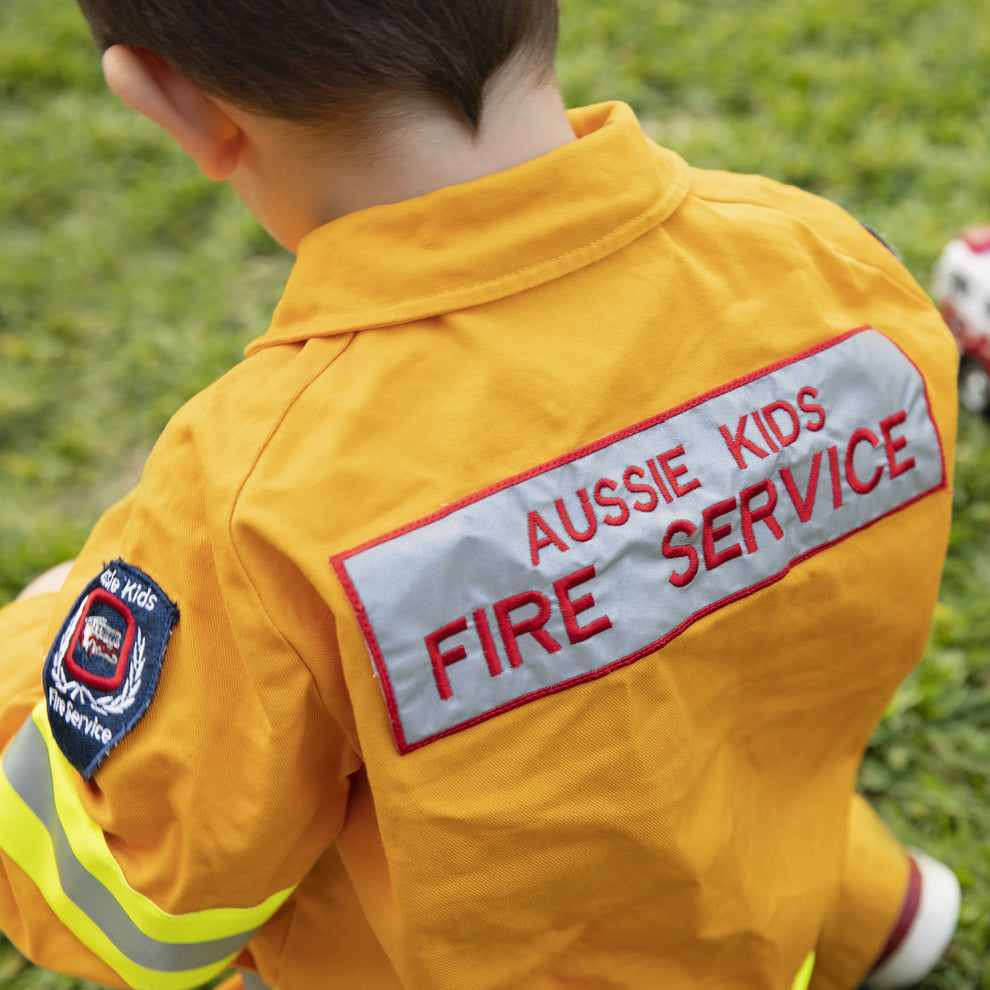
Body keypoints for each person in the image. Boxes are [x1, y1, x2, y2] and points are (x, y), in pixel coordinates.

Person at [0, 2, 962, 988]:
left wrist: (35, 642)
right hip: (755, 891)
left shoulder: (249, 499)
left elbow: (142, 903)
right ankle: (866, 912)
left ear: (171, 101)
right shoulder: (833, 264)